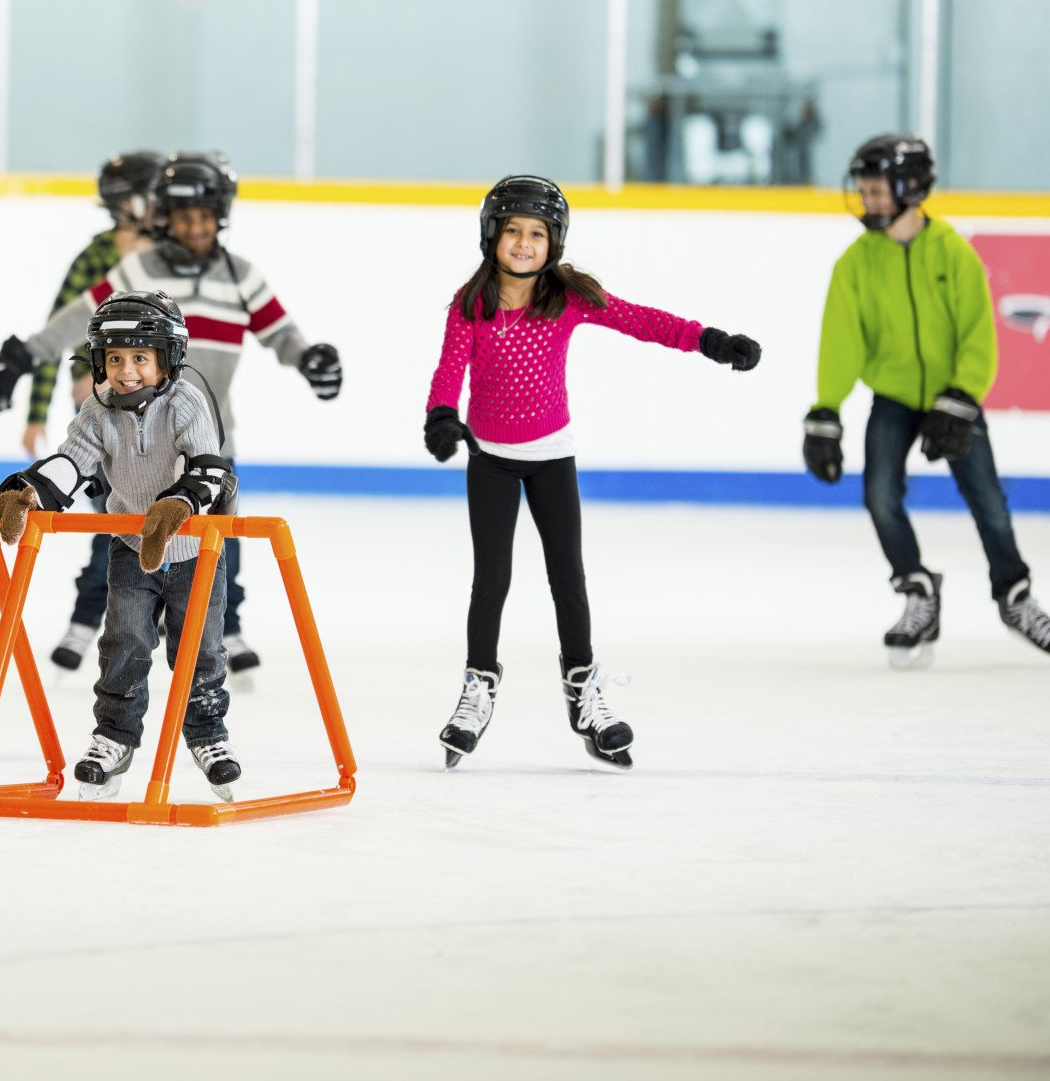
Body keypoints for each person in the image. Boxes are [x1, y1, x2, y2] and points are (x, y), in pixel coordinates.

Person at [422, 176, 760, 770]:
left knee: (568, 577)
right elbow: (450, 370)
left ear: (554, 241)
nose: (524, 243)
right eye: (512, 230)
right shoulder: (469, 304)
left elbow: (641, 320)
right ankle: (477, 688)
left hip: (552, 457)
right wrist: (442, 416)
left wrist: (709, 340)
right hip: (491, 459)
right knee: (491, 580)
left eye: (537, 233)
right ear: (490, 235)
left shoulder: (568, 297)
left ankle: (583, 693)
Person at [0, 152, 340, 680]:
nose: (194, 228)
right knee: (124, 527)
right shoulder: (141, 271)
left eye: (205, 217)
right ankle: (117, 619)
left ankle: (225, 624)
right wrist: (23, 356)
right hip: (135, 437)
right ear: (164, 215)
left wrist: (308, 358)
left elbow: (280, 333)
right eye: (183, 216)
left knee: (220, 535)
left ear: (221, 217)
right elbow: (79, 316)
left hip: (212, 442)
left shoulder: (241, 277)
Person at [803, 134, 1050, 668]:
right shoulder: (855, 264)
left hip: (952, 396)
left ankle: (1014, 595)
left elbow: (978, 336)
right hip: (893, 395)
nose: (866, 199)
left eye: (877, 189)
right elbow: (843, 341)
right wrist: (827, 409)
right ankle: (917, 588)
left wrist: (962, 396)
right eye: (863, 189)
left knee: (989, 502)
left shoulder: (954, 254)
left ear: (911, 189)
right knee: (879, 495)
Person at [0, 292, 240, 800]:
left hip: (197, 550)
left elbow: (209, 468)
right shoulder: (97, 411)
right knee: (124, 642)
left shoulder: (186, 403)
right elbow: (72, 461)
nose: (126, 371)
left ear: (168, 359)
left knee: (200, 648)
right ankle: (115, 737)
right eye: (115, 358)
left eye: (140, 357)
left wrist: (179, 505)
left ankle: (208, 735)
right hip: (132, 545)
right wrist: (30, 492)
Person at [22, 151, 163, 674]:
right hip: (104, 410)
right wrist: (37, 414)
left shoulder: (173, 255)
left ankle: (165, 617)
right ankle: (86, 622)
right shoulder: (98, 256)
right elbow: (56, 329)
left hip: (166, 412)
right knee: (115, 519)